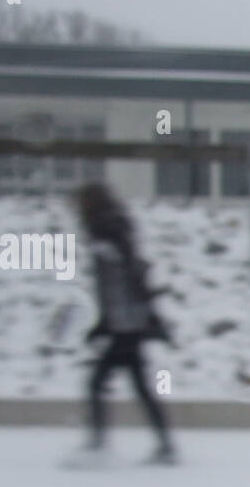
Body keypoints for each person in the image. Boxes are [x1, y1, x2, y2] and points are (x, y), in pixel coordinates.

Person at [74, 182, 175, 464]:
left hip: (127, 325)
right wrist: (104, 323)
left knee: (99, 383)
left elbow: (127, 279)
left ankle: (97, 445)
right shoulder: (110, 230)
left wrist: (118, 322)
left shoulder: (109, 233)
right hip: (126, 323)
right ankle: (165, 445)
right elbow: (115, 285)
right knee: (139, 387)